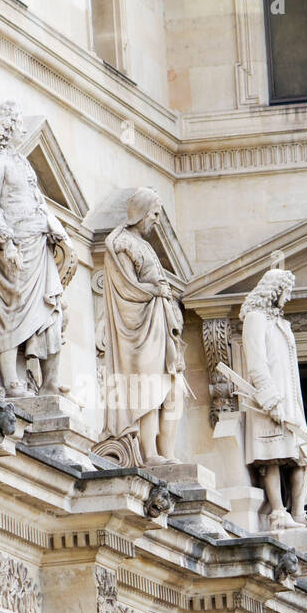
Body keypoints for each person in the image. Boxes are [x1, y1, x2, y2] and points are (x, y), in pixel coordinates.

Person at [0, 101, 67, 397]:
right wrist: (7, 243)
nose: (23, 129)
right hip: (16, 246)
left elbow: (36, 202)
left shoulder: (21, 163)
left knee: (52, 312)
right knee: (12, 307)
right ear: (6, 126)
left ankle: (47, 383)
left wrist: (55, 230)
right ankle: (11, 378)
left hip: (39, 244)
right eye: (19, 123)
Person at [101, 187, 187, 464]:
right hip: (140, 328)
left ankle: (168, 452)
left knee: (175, 388)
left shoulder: (144, 245)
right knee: (148, 389)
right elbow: (126, 287)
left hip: (158, 325)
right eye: (155, 214)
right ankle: (149, 453)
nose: (157, 221)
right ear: (140, 212)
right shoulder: (121, 242)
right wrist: (155, 290)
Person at [240, 269, 307, 531]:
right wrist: (271, 401)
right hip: (267, 401)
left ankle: (299, 512)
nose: (288, 297)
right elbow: (257, 364)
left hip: (291, 400)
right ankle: (278, 512)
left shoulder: (281, 324)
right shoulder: (255, 319)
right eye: (286, 291)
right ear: (275, 290)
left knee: (302, 456)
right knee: (271, 456)